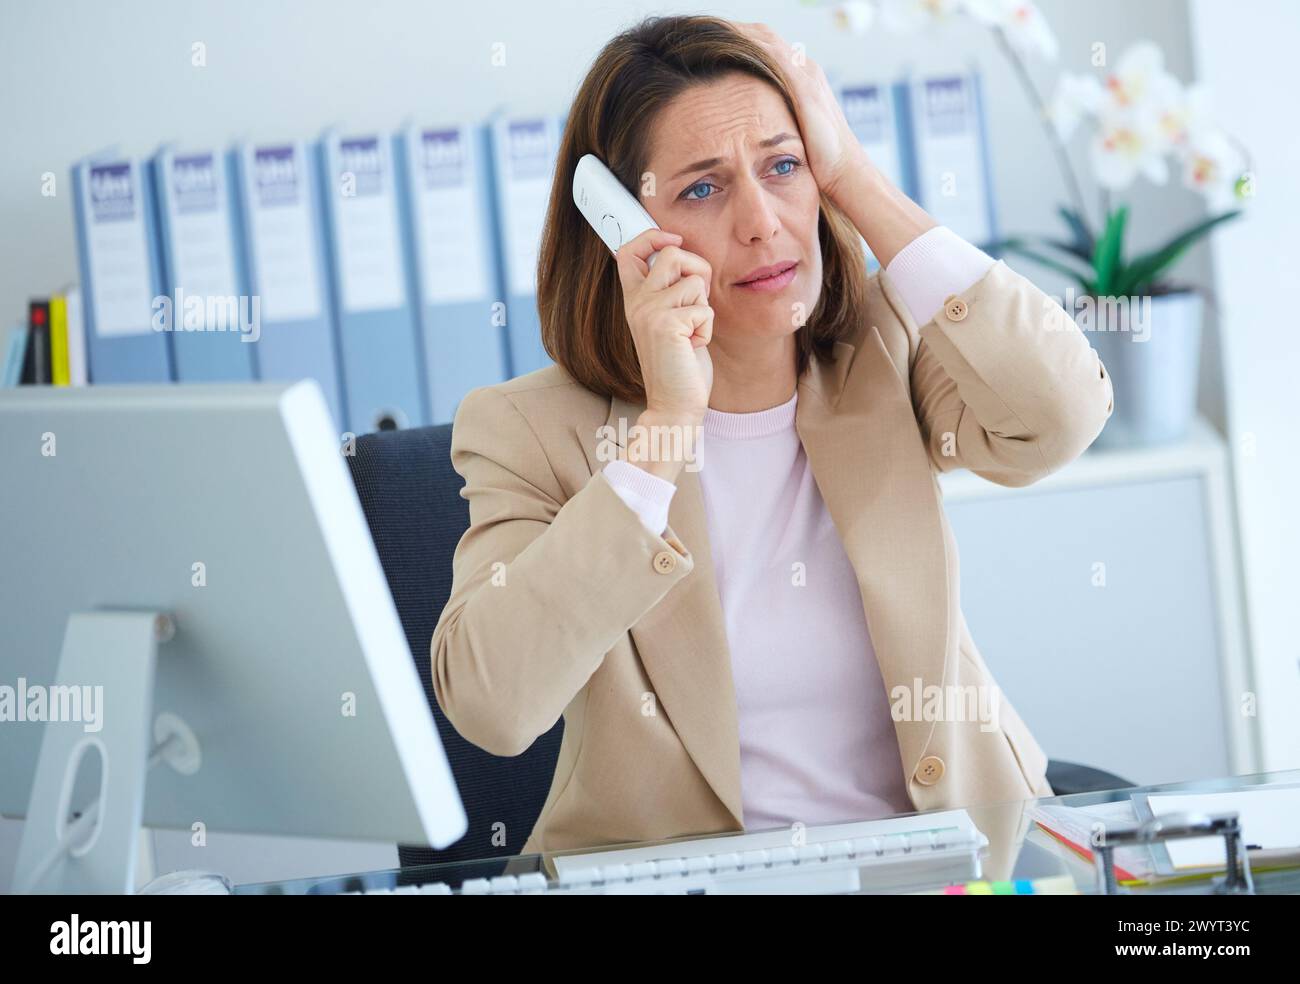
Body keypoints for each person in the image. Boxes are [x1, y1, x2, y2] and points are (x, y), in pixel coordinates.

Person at [431, 15, 1113, 855]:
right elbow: (493, 708)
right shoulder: (527, 431)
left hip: (953, 862)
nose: (763, 222)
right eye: (703, 188)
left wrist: (856, 176)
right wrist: (667, 429)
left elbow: (1061, 416)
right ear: (617, 226)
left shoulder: (883, 349)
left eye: (784, 167)